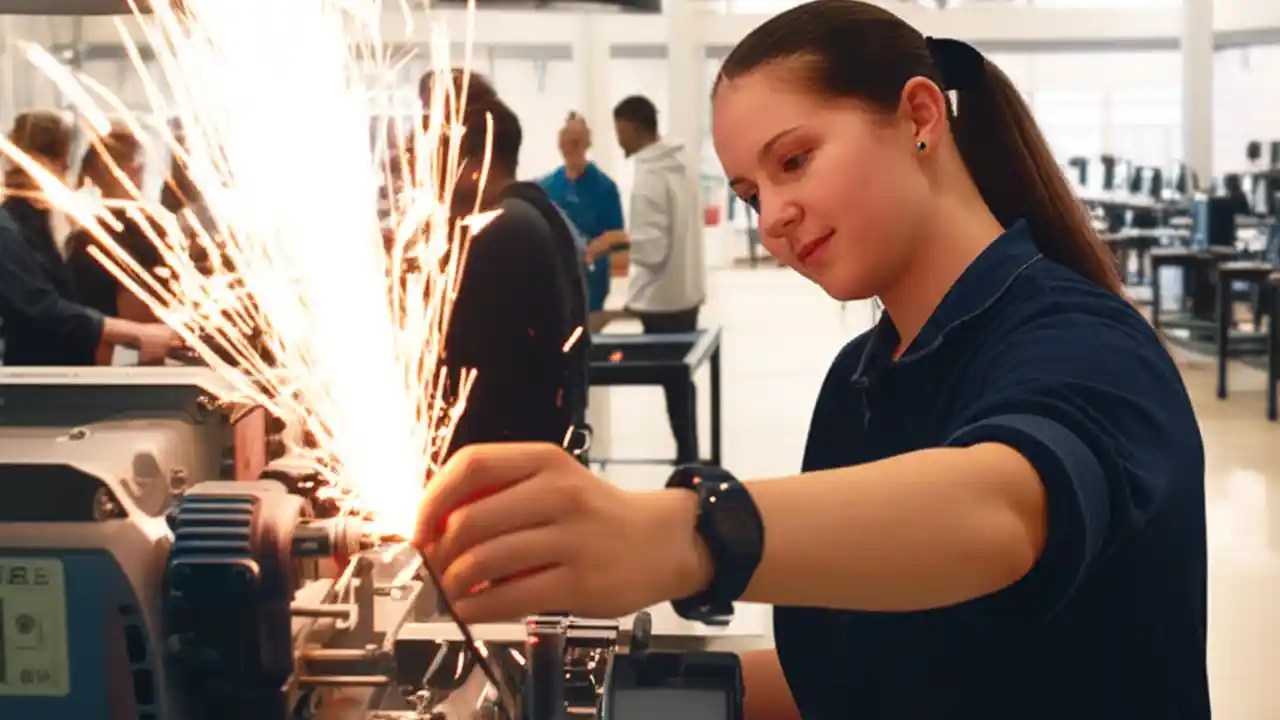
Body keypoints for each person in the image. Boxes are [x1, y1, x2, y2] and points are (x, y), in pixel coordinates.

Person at [412, 2, 1209, 719]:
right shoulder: (859, 382)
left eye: (793, 161)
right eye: (752, 193)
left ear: (920, 116)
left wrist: (685, 536)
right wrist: (589, 688)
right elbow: (848, 676)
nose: (773, 219)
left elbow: (1001, 514)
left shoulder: (1087, 342)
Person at [417, 71, 589, 455]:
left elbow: (466, 377)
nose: (429, 174)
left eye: (440, 155)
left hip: (506, 478)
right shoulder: (534, 213)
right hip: (532, 466)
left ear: (476, 161)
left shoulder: (503, 231)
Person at [0, 110, 178, 366]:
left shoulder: (48, 226)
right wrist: (136, 333)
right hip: (34, 382)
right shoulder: (10, 230)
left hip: (62, 373)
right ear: (38, 164)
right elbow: (43, 307)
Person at [587, 94, 706, 463]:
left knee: (672, 381)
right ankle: (689, 453)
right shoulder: (679, 163)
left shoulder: (648, 176)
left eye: (619, 132)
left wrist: (614, 242)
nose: (618, 140)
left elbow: (653, 250)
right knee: (680, 383)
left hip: (661, 301)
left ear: (633, 127)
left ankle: (686, 459)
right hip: (686, 292)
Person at [65, 125, 167, 363]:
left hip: (110, 358)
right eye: (135, 162)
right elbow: (136, 310)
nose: (140, 169)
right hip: (127, 355)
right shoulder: (135, 232)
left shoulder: (86, 237)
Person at [540, 112, 625, 313]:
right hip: (556, 280)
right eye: (568, 142)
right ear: (560, 145)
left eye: (577, 142)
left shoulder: (604, 187)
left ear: (587, 144)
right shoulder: (547, 186)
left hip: (592, 281)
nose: (572, 148)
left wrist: (593, 248)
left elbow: (617, 235)